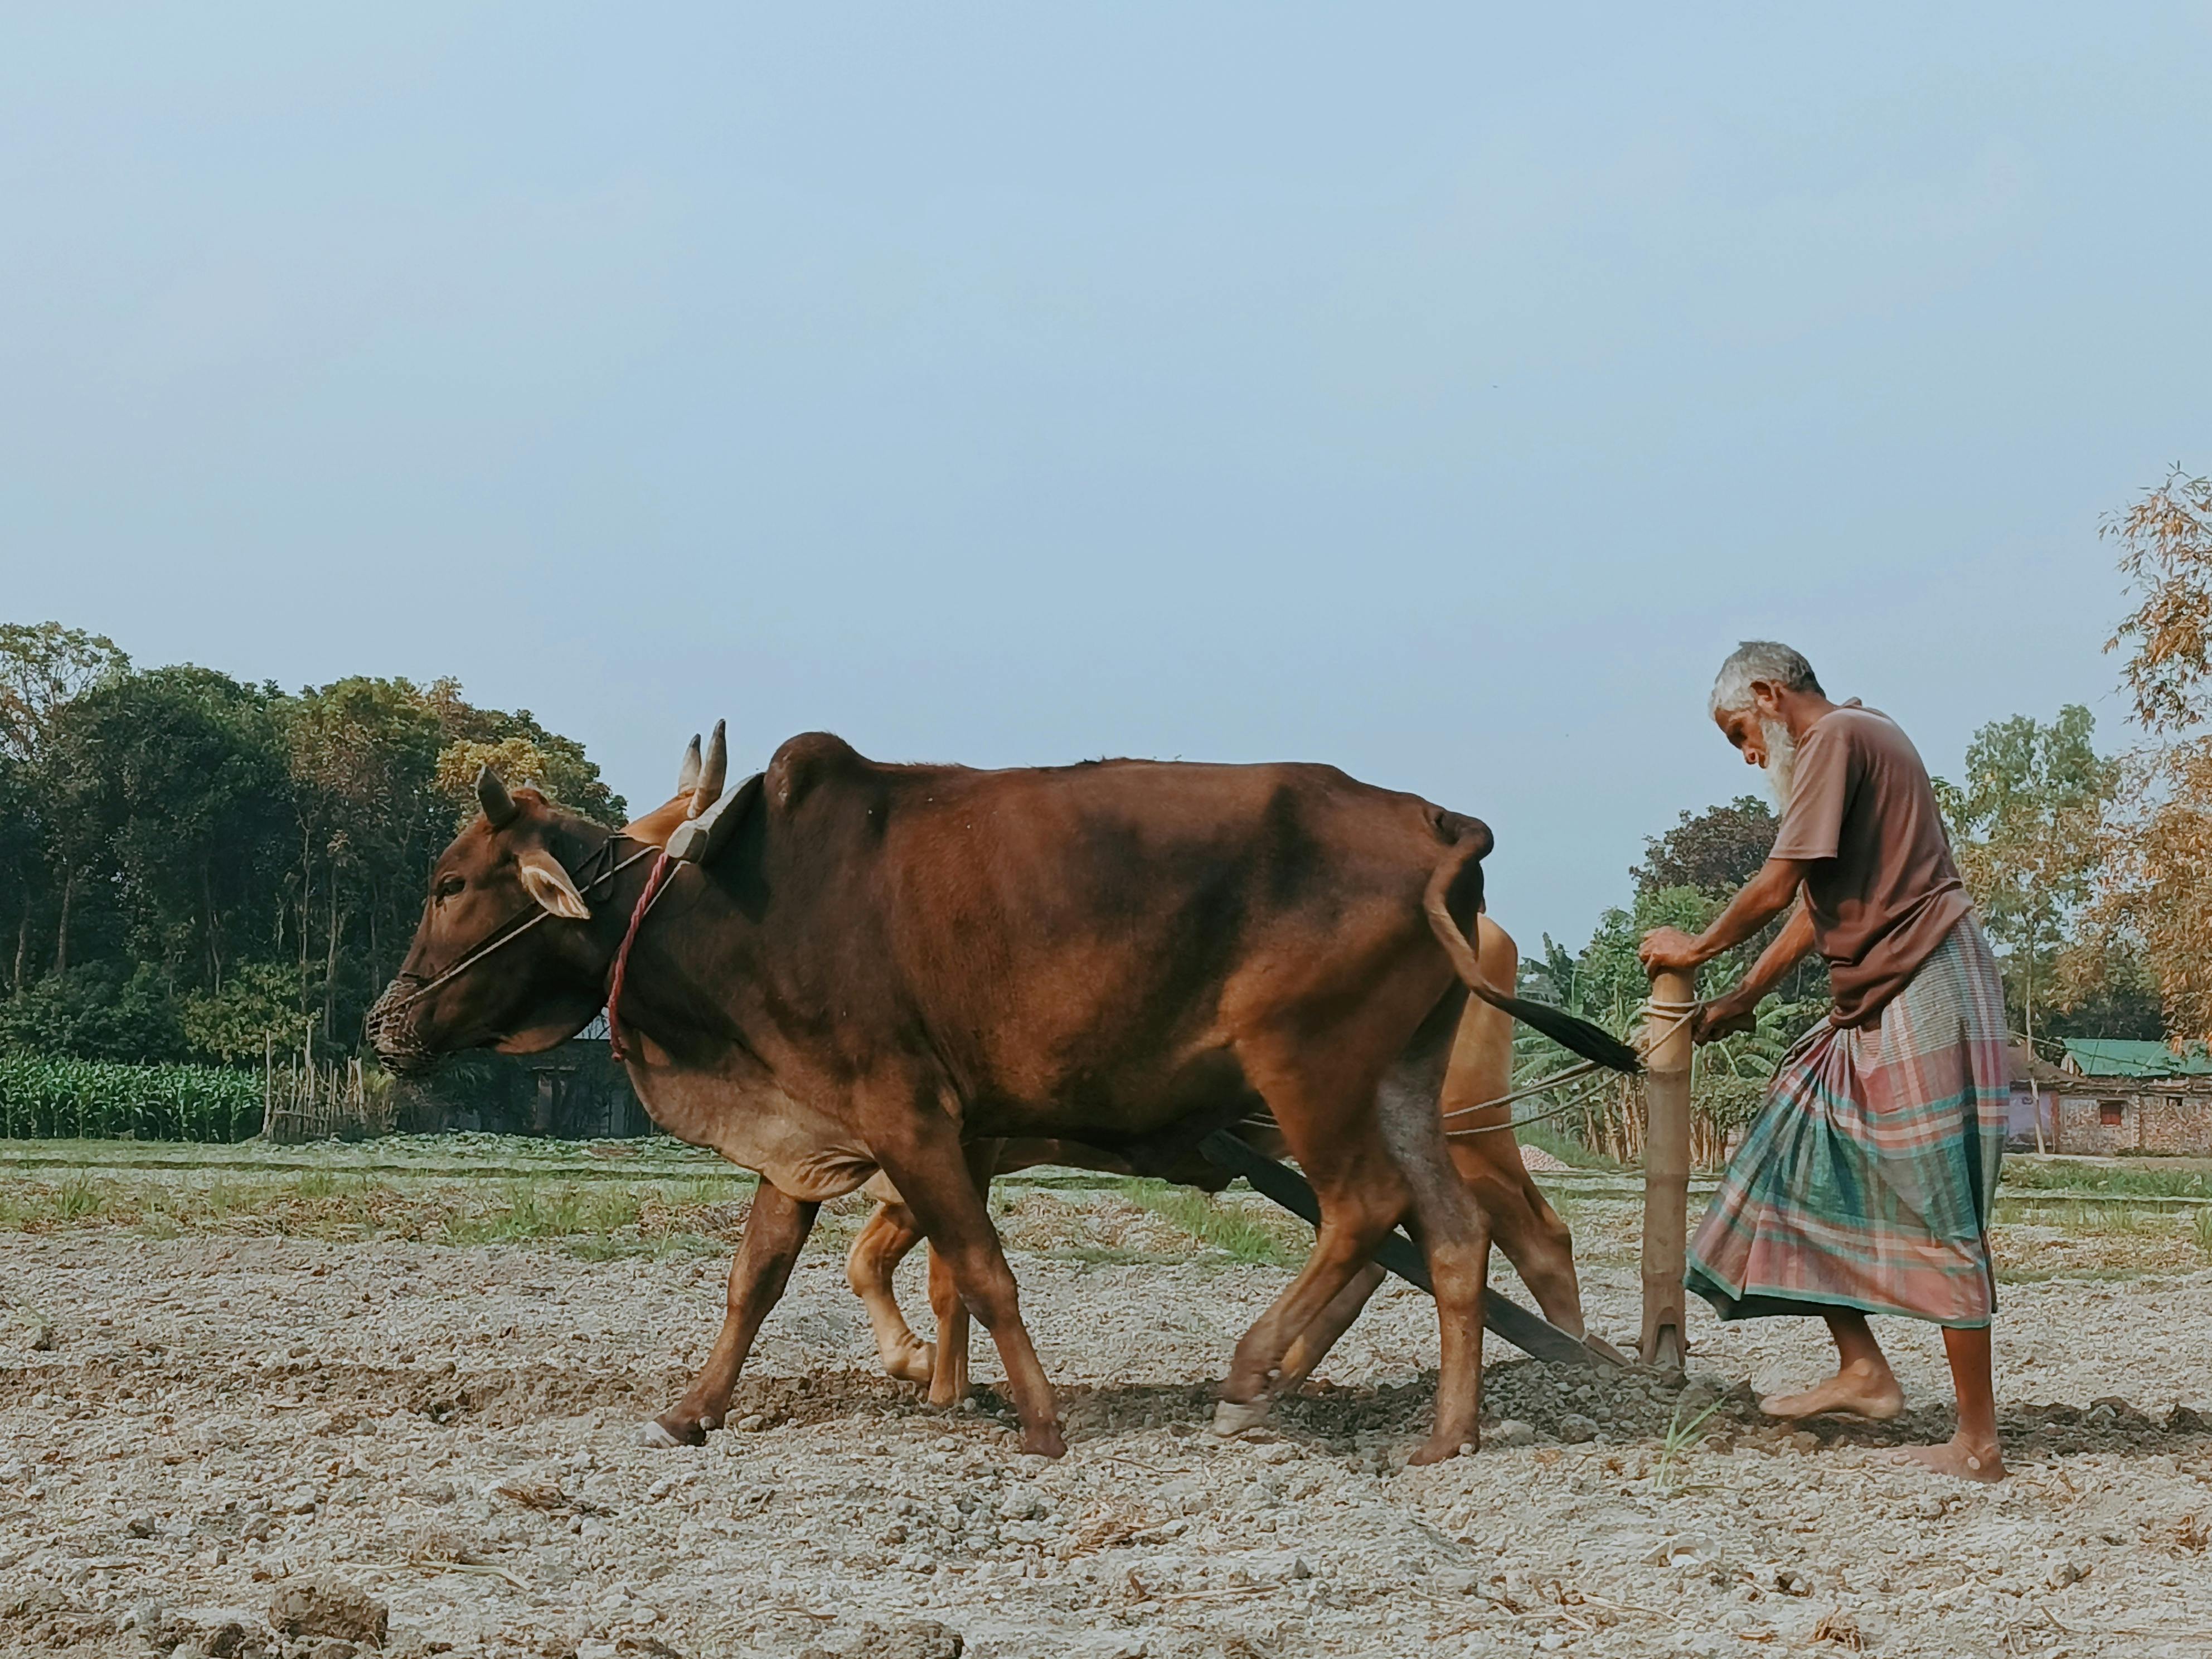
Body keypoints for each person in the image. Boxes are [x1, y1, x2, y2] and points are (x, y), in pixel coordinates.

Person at [1638, 641, 2010, 1481]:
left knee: (1936, 1199)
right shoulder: (1861, 743)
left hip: (1924, 982)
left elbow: (1777, 886)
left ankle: (1977, 1443)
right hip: (1878, 991)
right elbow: (1813, 909)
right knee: (1790, 1149)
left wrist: (1692, 948)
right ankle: (1864, 1369)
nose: (1746, 755)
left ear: (1770, 695)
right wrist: (1740, 999)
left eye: (1741, 732)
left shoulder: (1840, 738)